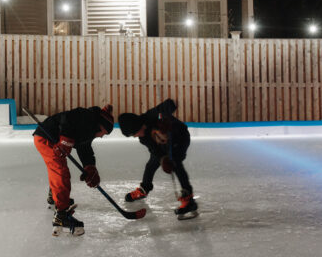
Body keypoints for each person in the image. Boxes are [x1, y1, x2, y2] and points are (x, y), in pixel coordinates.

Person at [33, 104, 115, 236]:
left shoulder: (89, 129)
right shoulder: (86, 116)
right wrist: (65, 139)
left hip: (51, 139)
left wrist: (90, 167)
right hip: (47, 137)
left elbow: (85, 148)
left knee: (59, 171)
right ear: (100, 126)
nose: (101, 136)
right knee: (60, 172)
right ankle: (61, 215)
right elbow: (67, 118)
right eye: (103, 133)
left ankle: (55, 197)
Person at [118, 99, 198, 220]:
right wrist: (163, 159)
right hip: (162, 145)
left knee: (176, 163)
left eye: (134, 133)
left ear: (139, 126)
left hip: (180, 137)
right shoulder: (144, 138)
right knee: (151, 165)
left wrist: (166, 120)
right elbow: (156, 151)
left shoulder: (151, 115)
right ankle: (144, 189)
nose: (135, 136)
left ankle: (189, 200)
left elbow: (170, 104)